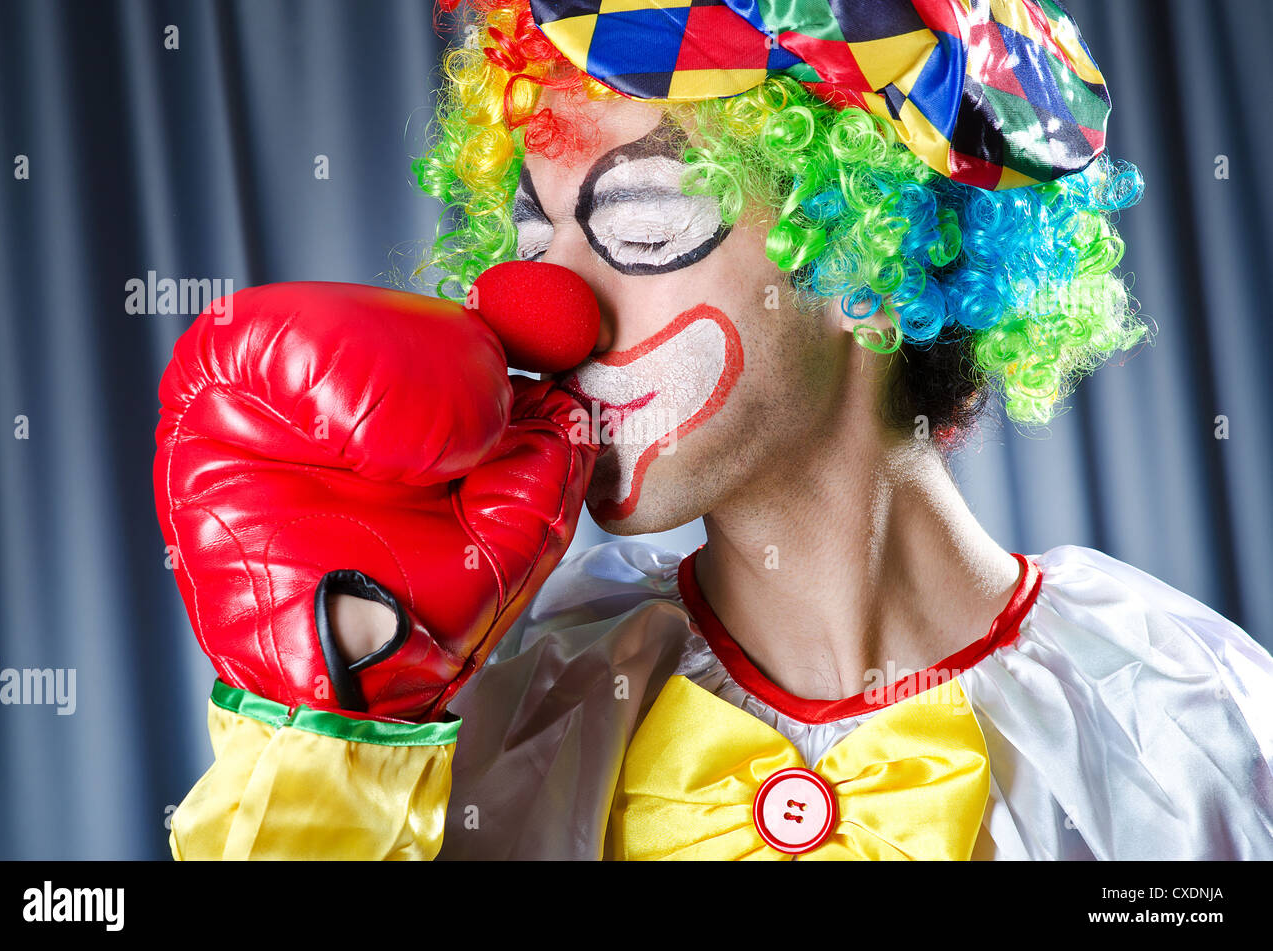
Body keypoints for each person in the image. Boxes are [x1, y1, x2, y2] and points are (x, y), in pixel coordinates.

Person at [155, 0, 1273, 860]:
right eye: (534, 234)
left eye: (639, 216)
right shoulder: (509, 722)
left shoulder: (1183, 717)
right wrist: (340, 706)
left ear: (868, 256)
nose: (544, 311)